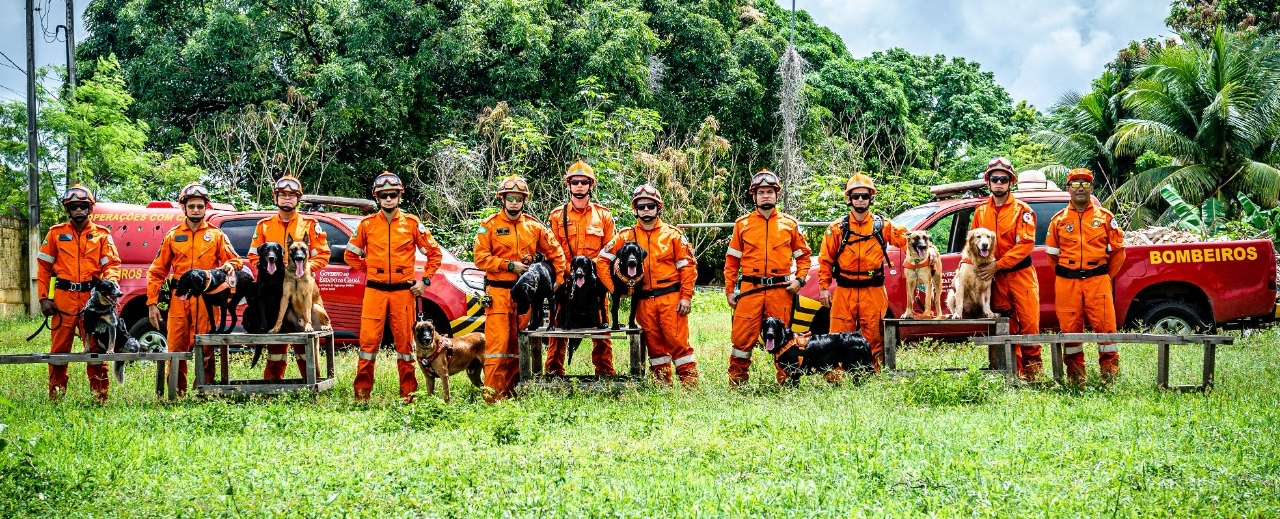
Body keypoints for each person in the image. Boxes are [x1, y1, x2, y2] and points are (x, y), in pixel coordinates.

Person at [345, 172, 443, 402]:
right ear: (377, 197)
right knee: (368, 344)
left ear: (400, 196)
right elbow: (350, 255)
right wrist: (370, 269)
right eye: (383, 195)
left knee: (405, 346)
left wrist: (424, 281)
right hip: (375, 291)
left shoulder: (412, 224)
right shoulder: (367, 225)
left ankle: (408, 396)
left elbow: (435, 254)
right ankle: (362, 396)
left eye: (392, 194)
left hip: (402, 293)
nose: (388, 199)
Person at [473, 175, 568, 402]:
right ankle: (494, 397)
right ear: (502, 199)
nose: (514, 203)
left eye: (518, 199)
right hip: (498, 293)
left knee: (519, 346)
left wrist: (559, 278)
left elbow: (556, 252)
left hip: (525, 295)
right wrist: (507, 265)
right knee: (497, 347)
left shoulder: (534, 227)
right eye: (510, 198)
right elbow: (480, 258)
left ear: (524, 200)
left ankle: (514, 393)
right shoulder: (489, 226)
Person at [597, 184, 700, 386]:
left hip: (670, 299)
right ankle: (662, 387)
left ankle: (690, 387)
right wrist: (614, 289)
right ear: (635, 209)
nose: (646, 210)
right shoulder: (625, 236)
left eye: (650, 206)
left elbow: (688, 268)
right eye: (641, 206)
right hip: (643, 301)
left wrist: (686, 297)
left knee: (679, 345)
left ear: (658, 208)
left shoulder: (673, 235)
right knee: (655, 348)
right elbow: (602, 261)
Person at [145, 183, 241, 394]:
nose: (196, 210)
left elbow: (235, 260)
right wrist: (152, 303)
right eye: (191, 206)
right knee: (176, 346)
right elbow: (156, 271)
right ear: (184, 208)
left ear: (206, 207)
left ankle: (204, 391)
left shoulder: (216, 235)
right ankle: (175, 392)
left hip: (207, 299)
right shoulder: (172, 236)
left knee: (206, 345)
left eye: (200, 206)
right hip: (179, 299)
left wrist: (230, 265)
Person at [724, 169, 811, 386]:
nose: (765, 196)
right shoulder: (742, 225)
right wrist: (729, 290)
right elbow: (732, 261)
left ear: (777, 194)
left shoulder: (790, 224)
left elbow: (804, 257)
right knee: (741, 340)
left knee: (783, 339)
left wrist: (799, 280)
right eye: (761, 192)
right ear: (754, 196)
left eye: (770, 192)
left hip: (780, 291)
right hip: (750, 290)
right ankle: (737, 383)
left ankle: (786, 382)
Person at [36, 185, 122, 401]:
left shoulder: (102, 235)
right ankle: (56, 397)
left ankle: (99, 397)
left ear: (90, 208)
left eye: (82, 206)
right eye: (73, 207)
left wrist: (110, 286)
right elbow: (44, 267)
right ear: (67, 210)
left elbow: (112, 265)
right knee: (58, 351)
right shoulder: (56, 233)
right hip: (63, 300)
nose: (78, 210)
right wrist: (43, 298)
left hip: (92, 300)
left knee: (95, 349)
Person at [816, 172, 907, 372]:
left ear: (871, 198)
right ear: (848, 198)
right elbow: (825, 260)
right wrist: (823, 288)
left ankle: (873, 375)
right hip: (844, 290)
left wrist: (926, 254)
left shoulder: (883, 226)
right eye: (855, 195)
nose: (860, 200)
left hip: (873, 290)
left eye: (864, 196)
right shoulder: (837, 229)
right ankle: (837, 378)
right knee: (837, 337)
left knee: (874, 336)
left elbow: (909, 240)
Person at [1045, 168, 1126, 384]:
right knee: (1070, 332)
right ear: (1068, 188)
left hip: (1098, 281)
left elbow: (1118, 253)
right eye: (1075, 184)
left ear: (1092, 188)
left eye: (1085, 183)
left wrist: (1103, 276)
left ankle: (1110, 379)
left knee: (1106, 331)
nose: (1080, 188)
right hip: (1067, 282)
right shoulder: (1058, 220)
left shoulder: (1105, 218)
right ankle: (1076, 380)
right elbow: (1051, 256)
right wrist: (1068, 273)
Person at [245, 175, 330, 381]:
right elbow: (254, 256)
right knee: (275, 345)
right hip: (276, 294)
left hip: (301, 293)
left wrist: (302, 269)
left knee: (304, 342)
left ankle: (311, 384)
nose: (287, 198)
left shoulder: (309, 224)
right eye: (282, 194)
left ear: (298, 199)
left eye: (292, 195)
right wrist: (271, 270)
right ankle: (272, 385)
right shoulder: (264, 226)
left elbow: (323, 254)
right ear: (275, 197)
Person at [971, 157, 1042, 380]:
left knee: (1029, 326)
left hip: (1021, 275)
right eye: (995, 179)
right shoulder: (981, 211)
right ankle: (1011, 377)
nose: (999, 183)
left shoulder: (1022, 210)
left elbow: (1025, 245)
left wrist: (997, 265)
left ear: (1011, 182)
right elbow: (971, 245)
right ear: (988, 182)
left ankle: (1034, 377)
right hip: (995, 280)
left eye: (1004, 179)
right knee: (1004, 327)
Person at [545, 160, 617, 376]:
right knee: (559, 326)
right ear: (568, 185)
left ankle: (605, 372)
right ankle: (554, 371)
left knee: (601, 327)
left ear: (590, 185)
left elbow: (610, 252)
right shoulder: (557, 216)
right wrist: (567, 273)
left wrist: (592, 272)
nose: (579, 186)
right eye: (575, 182)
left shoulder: (603, 216)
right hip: (566, 280)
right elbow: (552, 251)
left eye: (583, 182)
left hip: (594, 283)